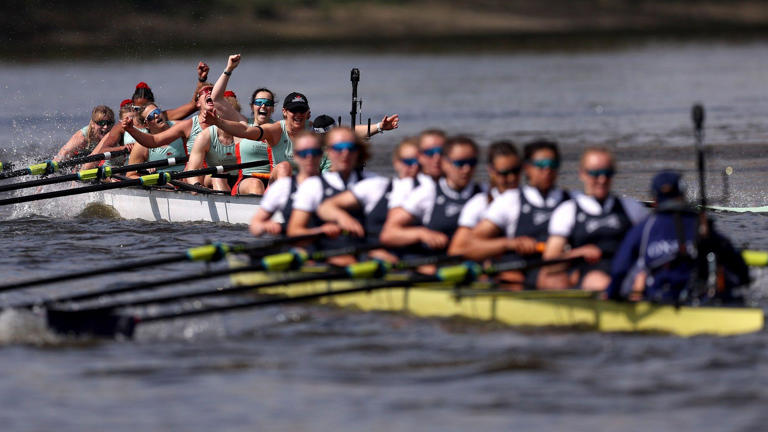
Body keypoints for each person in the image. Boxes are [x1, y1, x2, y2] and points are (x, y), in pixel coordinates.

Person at [203, 54, 399, 175]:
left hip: (306, 185)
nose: (298, 115)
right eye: (293, 111)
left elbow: (348, 133)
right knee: (285, 169)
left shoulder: (313, 129)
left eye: (302, 111)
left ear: (308, 114)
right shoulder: (274, 131)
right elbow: (245, 129)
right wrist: (219, 122)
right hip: (279, 184)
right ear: (284, 112)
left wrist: (380, 127)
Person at [605, 171, 749, 303]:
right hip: (697, 298)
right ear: (683, 195)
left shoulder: (644, 227)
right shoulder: (702, 226)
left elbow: (619, 270)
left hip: (658, 298)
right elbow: (738, 265)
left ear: (655, 198)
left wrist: (611, 295)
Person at [539, 147, 648, 291]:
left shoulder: (632, 207)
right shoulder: (568, 211)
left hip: (628, 275)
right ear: (582, 174)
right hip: (589, 278)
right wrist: (579, 253)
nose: (602, 180)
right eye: (595, 174)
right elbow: (550, 264)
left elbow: (653, 246)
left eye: (607, 173)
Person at [463, 140, 570, 286]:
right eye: (540, 165)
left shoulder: (572, 200)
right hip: (517, 274)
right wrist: (510, 244)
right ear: (527, 168)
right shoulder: (510, 200)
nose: (547, 170)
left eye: (552, 165)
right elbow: (469, 246)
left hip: (559, 269)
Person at [316, 137, 420, 262]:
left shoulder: (430, 190)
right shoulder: (377, 185)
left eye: (418, 162)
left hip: (416, 257)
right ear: (396, 163)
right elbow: (325, 207)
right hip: (375, 257)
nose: (414, 167)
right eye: (408, 162)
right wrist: (342, 218)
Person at [380, 136, 481, 257]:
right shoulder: (428, 193)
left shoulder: (483, 193)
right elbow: (388, 234)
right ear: (445, 163)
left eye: (471, 163)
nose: (466, 169)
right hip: (434, 266)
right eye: (459, 163)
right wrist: (421, 234)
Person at [287, 127, 371, 265]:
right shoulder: (313, 186)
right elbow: (294, 233)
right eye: (338, 148)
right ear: (328, 152)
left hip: (366, 255)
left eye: (350, 147)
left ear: (358, 151)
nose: (345, 153)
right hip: (324, 256)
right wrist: (322, 230)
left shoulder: (375, 183)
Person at [447, 140, 521, 257]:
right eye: (504, 173)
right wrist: (507, 244)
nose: (512, 178)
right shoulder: (479, 204)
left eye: (516, 171)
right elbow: (457, 249)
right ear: (491, 171)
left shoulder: (527, 199)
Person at [250, 131, 323, 236]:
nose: (309, 157)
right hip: (294, 246)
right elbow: (255, 226)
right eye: (304, 153)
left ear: (321, 155)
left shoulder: (333, 184)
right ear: (296, 156)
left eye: (314, 153)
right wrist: (264, 226)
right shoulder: (283, 187)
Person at [123, 103, 189, 178]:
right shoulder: (141, 145)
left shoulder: (181, 127)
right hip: (161, 185)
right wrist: (149, 180)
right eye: (150, 117)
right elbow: (131, 175)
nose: (156, 116)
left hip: (186, 177)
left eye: (157, 111)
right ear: (146, 125)